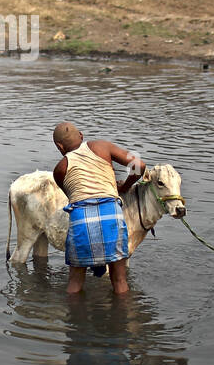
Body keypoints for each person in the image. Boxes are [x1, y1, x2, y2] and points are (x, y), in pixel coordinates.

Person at [51, 121, 145, 295]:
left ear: (60, 146)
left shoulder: (60, 169)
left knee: (74, 283)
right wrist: (124, 187)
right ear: (81, 135)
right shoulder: (102, 146)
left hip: (81, 221)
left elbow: (74, 198)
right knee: (120, 281)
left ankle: (74, 320)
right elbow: (140, 166)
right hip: (111, 216)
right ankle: (123, 319)